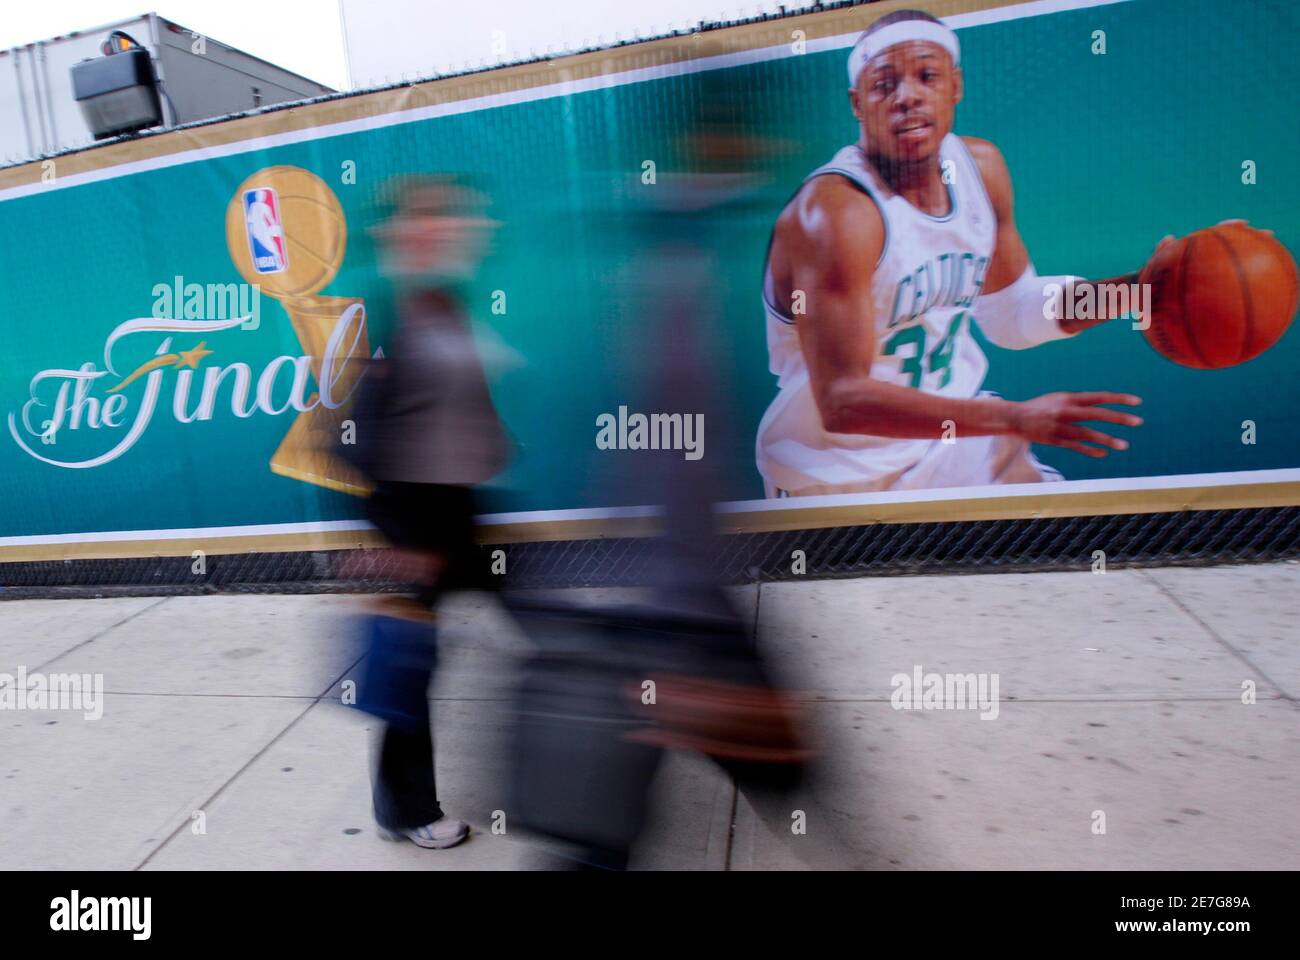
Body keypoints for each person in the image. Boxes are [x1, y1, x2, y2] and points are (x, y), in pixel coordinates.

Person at [756, 9, 1150, 499]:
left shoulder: (979, 169)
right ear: (857, 104)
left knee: (1060, 540)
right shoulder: (837, 212)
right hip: (836, 474)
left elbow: (1013, 312)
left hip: (953, 443)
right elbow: (843, 401)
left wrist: (1139, 291)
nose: (908, 97)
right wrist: (1016, 417)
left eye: (927, 76)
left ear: (955, 86)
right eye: (884, 85)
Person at [346, 175, 508, 849]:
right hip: (420, 531)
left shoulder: (443, 304)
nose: (459, 228)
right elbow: (354, 439)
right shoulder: (398, 319)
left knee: (534, 631)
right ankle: (405, 811)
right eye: (436, 219)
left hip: (459, 515)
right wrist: (397, 541)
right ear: (403, 235)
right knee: (410, 672)